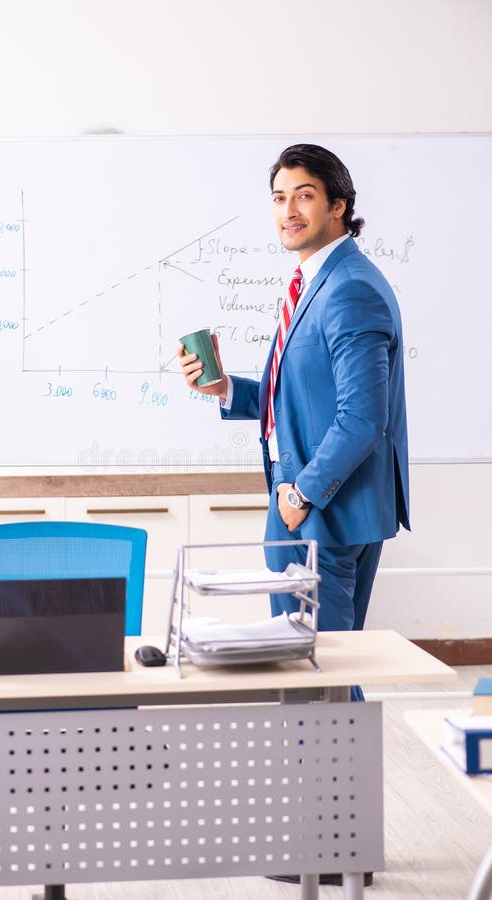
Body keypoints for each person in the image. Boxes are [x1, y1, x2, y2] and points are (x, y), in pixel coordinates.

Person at [178, 142, 410, 700]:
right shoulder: (317, 282)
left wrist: (302, 494)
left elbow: (362, 417)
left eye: (304, 196)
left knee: (315, 674)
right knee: (317, 670)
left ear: (339, 205)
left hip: (323, 510)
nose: (289, 210)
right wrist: (227, 388)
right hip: (309, 508)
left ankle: (328, 784)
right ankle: (324, 780)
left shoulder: (349, 288)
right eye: (279, 198)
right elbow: (301, 394)